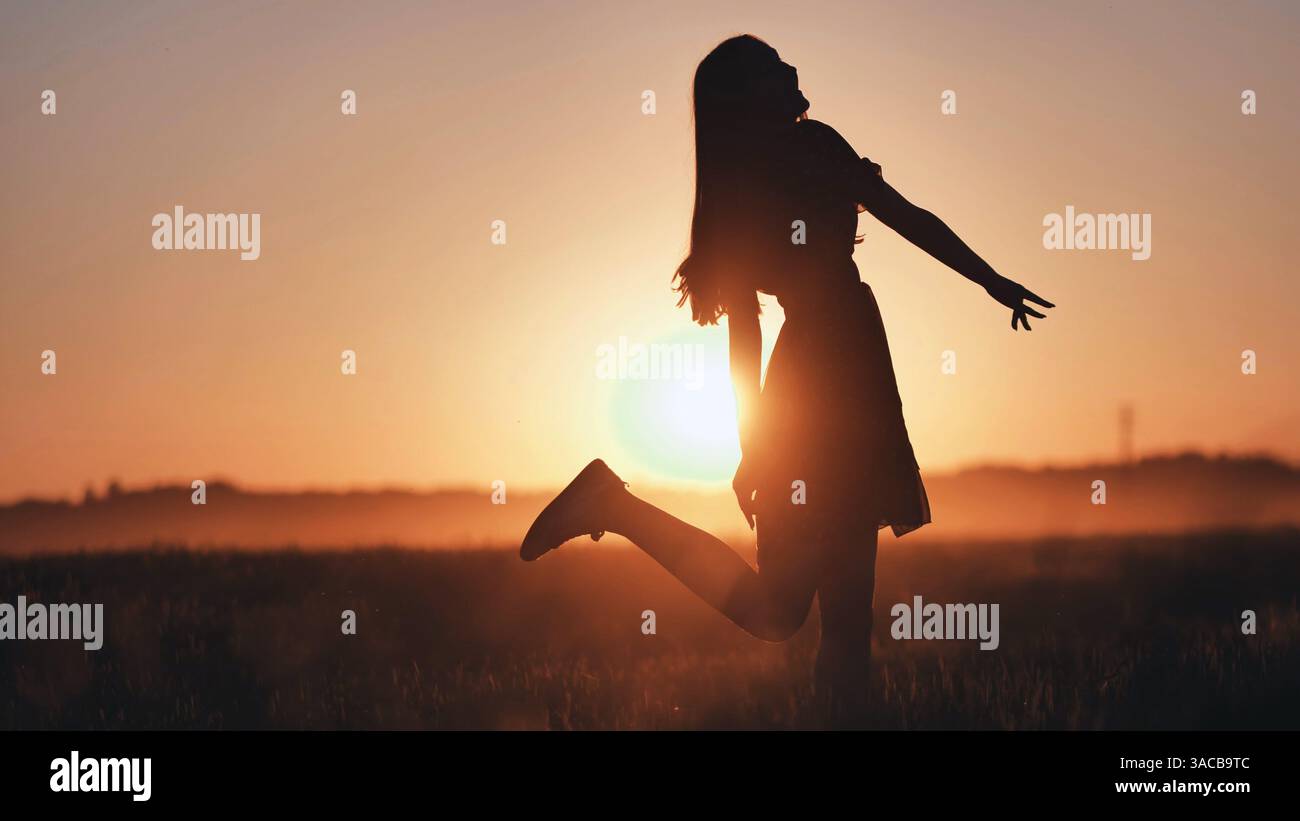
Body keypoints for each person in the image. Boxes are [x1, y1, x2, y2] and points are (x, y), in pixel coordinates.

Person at [520, 34, 1053, 722]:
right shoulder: (816, 149)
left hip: (815, 370)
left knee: (814, 615)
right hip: (838, 368)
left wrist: (753, 445)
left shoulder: (736, 193)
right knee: (806, 615)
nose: (795, 70)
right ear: (752, 97)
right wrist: (991, 279)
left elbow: (747, 339)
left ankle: (615, 507)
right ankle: (614, 506)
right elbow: (906, 217)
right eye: (776, 69)